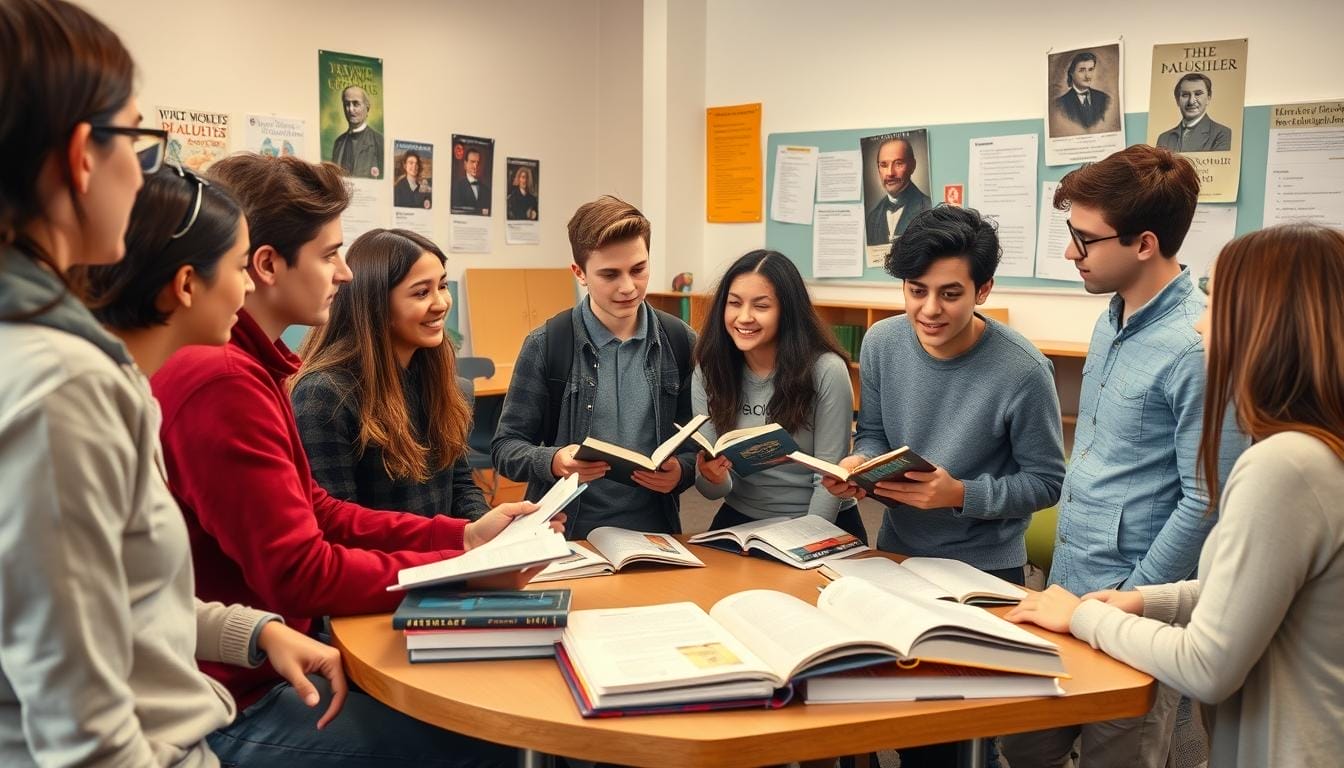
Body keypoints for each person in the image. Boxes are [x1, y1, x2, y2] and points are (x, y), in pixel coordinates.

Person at [0, 2, 339, 763]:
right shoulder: (63, 385)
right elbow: (83, 731)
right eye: (139, 141)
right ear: (83, 156)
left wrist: (248, 631)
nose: (145, 172)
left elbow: (104, 603)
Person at [149, 153, 557, 767]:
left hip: (262, 660)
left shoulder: (254, 367)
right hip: (236, 692)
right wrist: (463, 571)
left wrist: (465, 538)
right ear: (266, 266)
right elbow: (300, 572)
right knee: (481, 743)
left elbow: (318, 510)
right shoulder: (224, 379)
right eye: (329, 254)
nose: (344, 274)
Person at [1006, 223, 1344, 768]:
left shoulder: (1284, 467)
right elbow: (1245, 592)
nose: (1204, 318)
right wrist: (1147, 601)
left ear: (1266, 325)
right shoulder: (1313, 450)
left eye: (1221, 302)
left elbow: (1207, 664)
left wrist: (1084, 618)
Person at [1001, 145, 1247, 768]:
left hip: (1130, 605)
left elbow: (1206, 499)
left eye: (1084, 240)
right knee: (1025, 745)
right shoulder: (1111, 315)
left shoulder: (1197, 345)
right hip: (1066, 585)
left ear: (1143, 243)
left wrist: (1126, 606)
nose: (1069, 254)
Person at [825, 205, 1065, 766]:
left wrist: (961, 495)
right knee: (903, 720)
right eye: (916, 291)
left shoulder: (1024, 371)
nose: (929, 310)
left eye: (950, 294)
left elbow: (1048, 482)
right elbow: (876, 433)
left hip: (983, 571)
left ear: (984, 290)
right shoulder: (883, 342)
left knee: (955, 732)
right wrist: (859, 469)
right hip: (900, 557)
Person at [493, 195, 697, 539]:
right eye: (609, 274)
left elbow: (698, 445)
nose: (628, 287)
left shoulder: (680, 341)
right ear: (579, 273)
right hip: (566, 533)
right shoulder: (546, 344)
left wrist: (683, 472)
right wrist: (555, 460)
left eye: (638, 269)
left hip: (657, 533)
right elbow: (505, 448)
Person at [292, 228, 487, 521]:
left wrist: (496, 534)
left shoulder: (436, 377)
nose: (442, 303)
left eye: (443, 286)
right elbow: (339, 527)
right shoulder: (324, 394)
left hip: (445, 561)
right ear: (376, 304)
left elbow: (460, 486)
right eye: (422, 292)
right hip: (389, 565)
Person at [692, 251, 863, 542]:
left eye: (761, 306)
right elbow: (711, 492)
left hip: (822, 519)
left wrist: (805, 543)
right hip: (742, 520)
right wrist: (712, 475)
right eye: (734, 303)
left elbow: (828, 480)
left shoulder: (825, 370)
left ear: (788, 311)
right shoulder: (709, 371)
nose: (744, 317)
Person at [864, 136, 931, 247]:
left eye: (898, 163)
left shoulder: (929, 209)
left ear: (912, 166)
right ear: (878, 169)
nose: (890, 173)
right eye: (884, 165)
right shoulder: (872, 217)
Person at [1156, 73, 1233, 153]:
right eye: (1185, 95)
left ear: (1208, 98)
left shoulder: (1221, 134)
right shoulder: (1164, 138)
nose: (1191, 101)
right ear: (1177, 100)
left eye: (1198, 94)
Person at [330, 85, 384, 178]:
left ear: (367, 108)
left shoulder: (379, 141)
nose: (350, 109)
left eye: (356, 104)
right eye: (347, 104)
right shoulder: (338, 143)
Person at [1054, 50, 1112, 130]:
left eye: (1090, 69)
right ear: (1072, 73)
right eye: (1082, 70)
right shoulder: (1059, 105)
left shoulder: (1105, 99)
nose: (1087, 76)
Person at [451, 146, 491, 214]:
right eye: (472, 162)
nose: (475, 166)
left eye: (477, 162)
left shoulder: (486, 190)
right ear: (465, 164)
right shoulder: (457, 187)